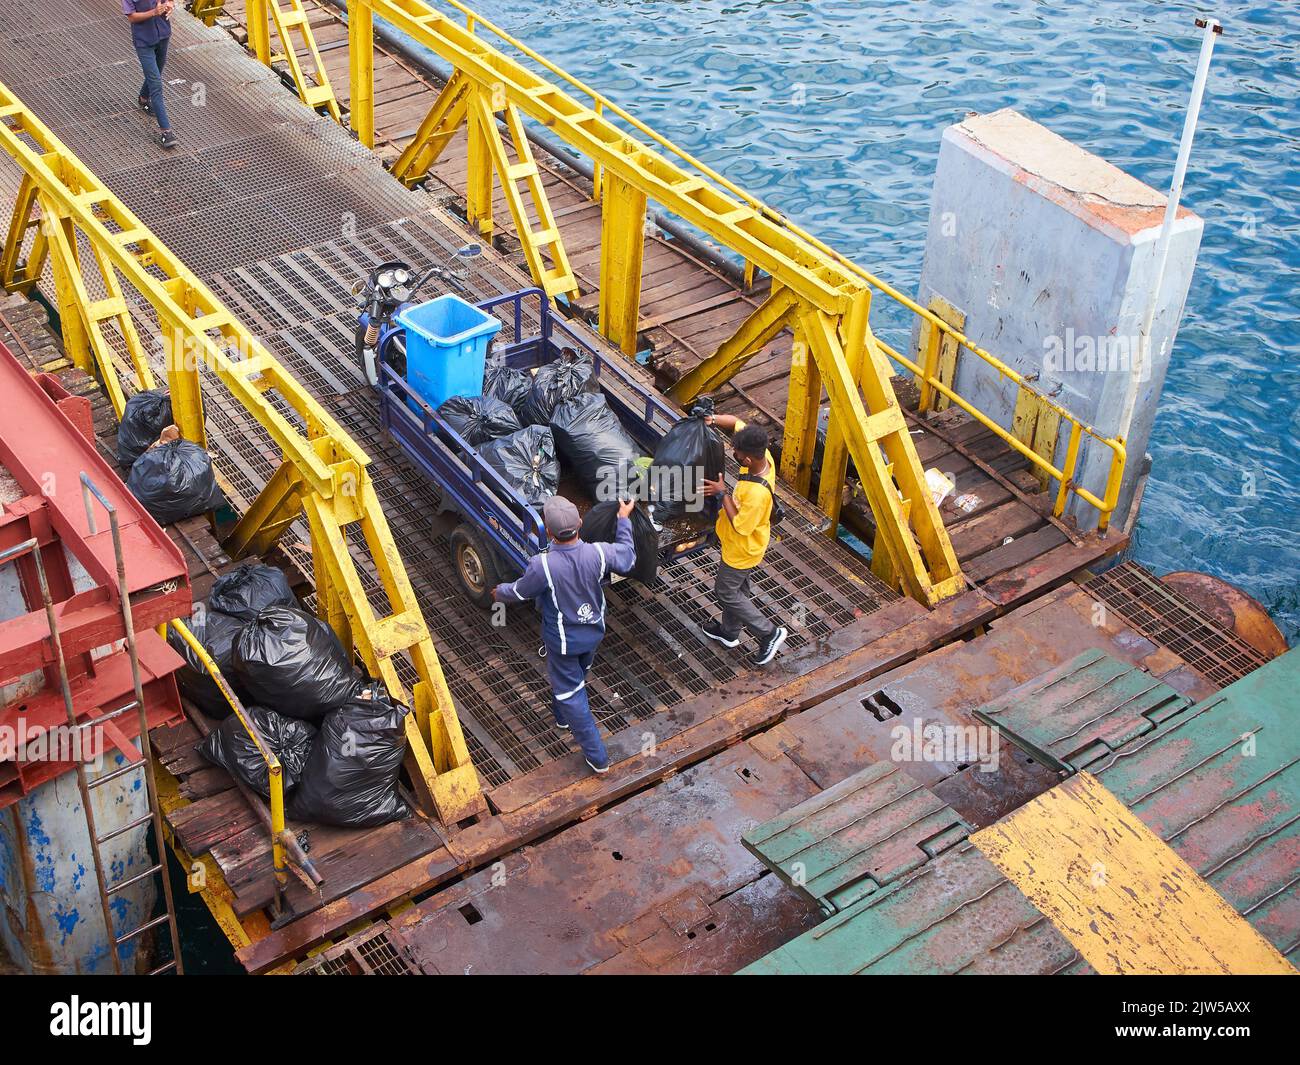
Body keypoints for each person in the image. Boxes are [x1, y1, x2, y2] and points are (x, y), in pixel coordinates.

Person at [493, 496, 637, 774]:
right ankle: (561, 717)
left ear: (547, 532)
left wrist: (499, 592)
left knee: (573, 695)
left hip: (563, 642)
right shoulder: (598, 553)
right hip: (593, 632)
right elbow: (628, 557)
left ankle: (598, 757)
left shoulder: (543, 565)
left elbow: (521, 592)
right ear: (580, 524)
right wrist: (623, 519)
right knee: (575, 678)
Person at [700, 415, 788, 665]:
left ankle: (769, 633)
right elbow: (737, 422)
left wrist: (722, 493)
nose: (734, 455)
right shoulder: (763, 458)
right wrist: (713, 419)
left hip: (742, 550)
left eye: (736, 453)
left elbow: (740, 526)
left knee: (725, 591)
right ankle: (729, 633)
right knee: (738, 589)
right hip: (743, 546)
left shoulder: (757, 493)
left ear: (747, 459)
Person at [124, 0, 177, 149]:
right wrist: (154, 12)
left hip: (163, 35)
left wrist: (171, 4)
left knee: (157, 71)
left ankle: (143, 98)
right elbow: (132, 17)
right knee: (156, 84)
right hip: (144, 42)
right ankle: (166, 132)